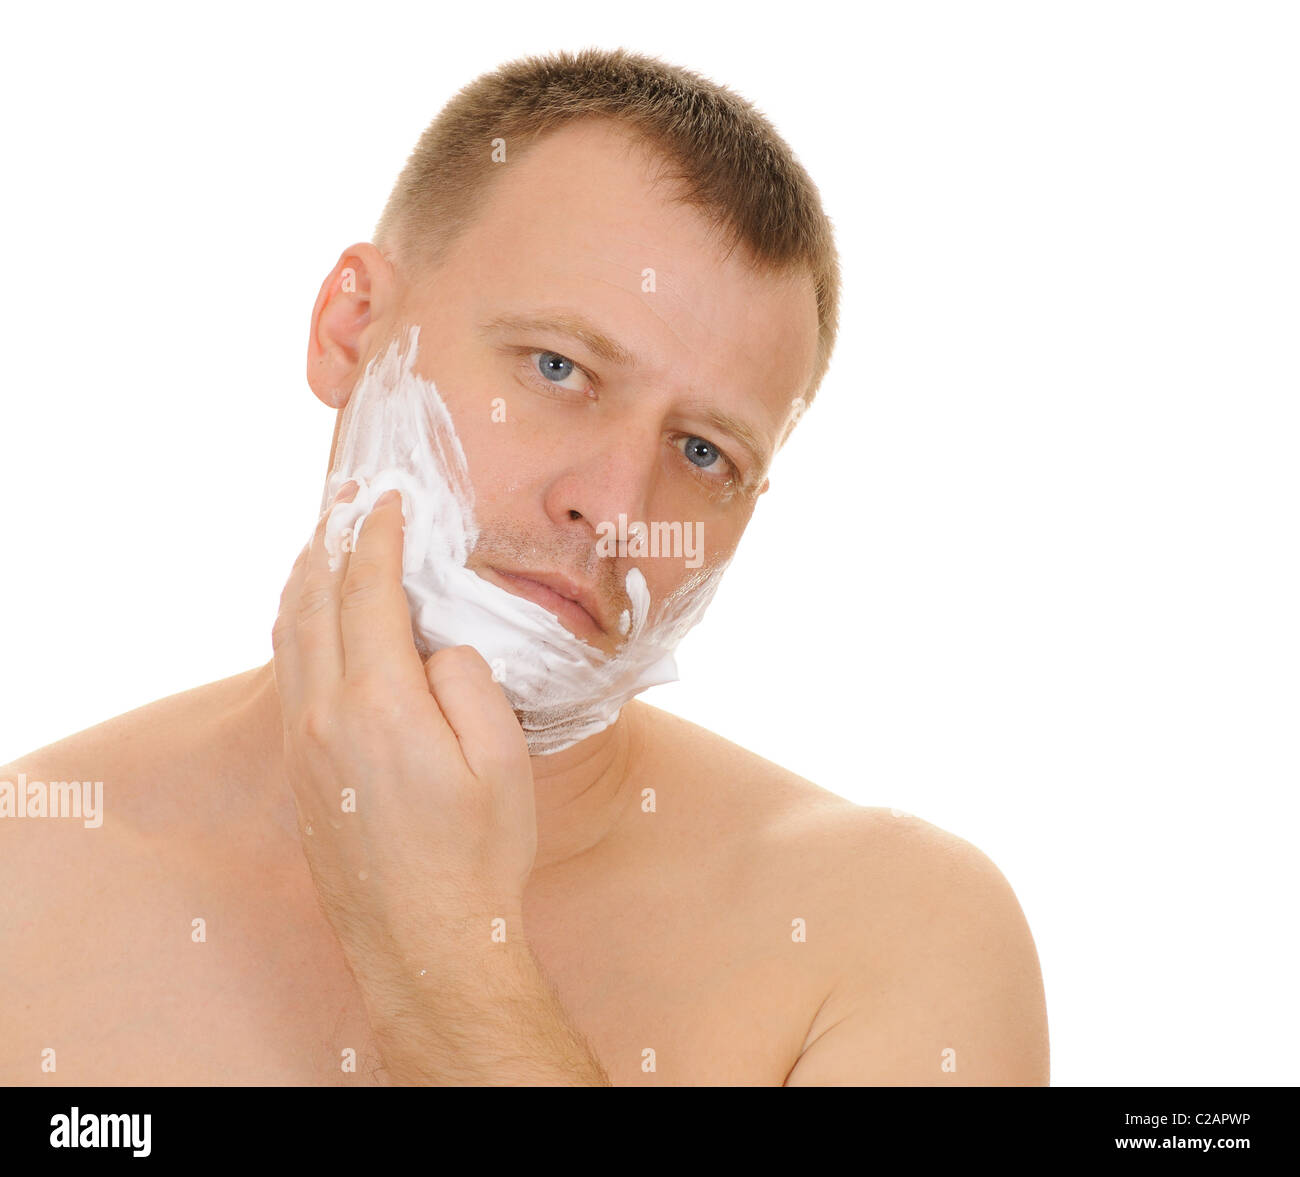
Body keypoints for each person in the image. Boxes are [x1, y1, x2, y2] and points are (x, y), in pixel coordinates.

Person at [0, 47, 1048, 1086]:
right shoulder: (27, 875)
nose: (617, 508)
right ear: (351, 328)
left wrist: (446, 953)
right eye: (559, 368)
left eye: (703, 452)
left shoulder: (887, 936)